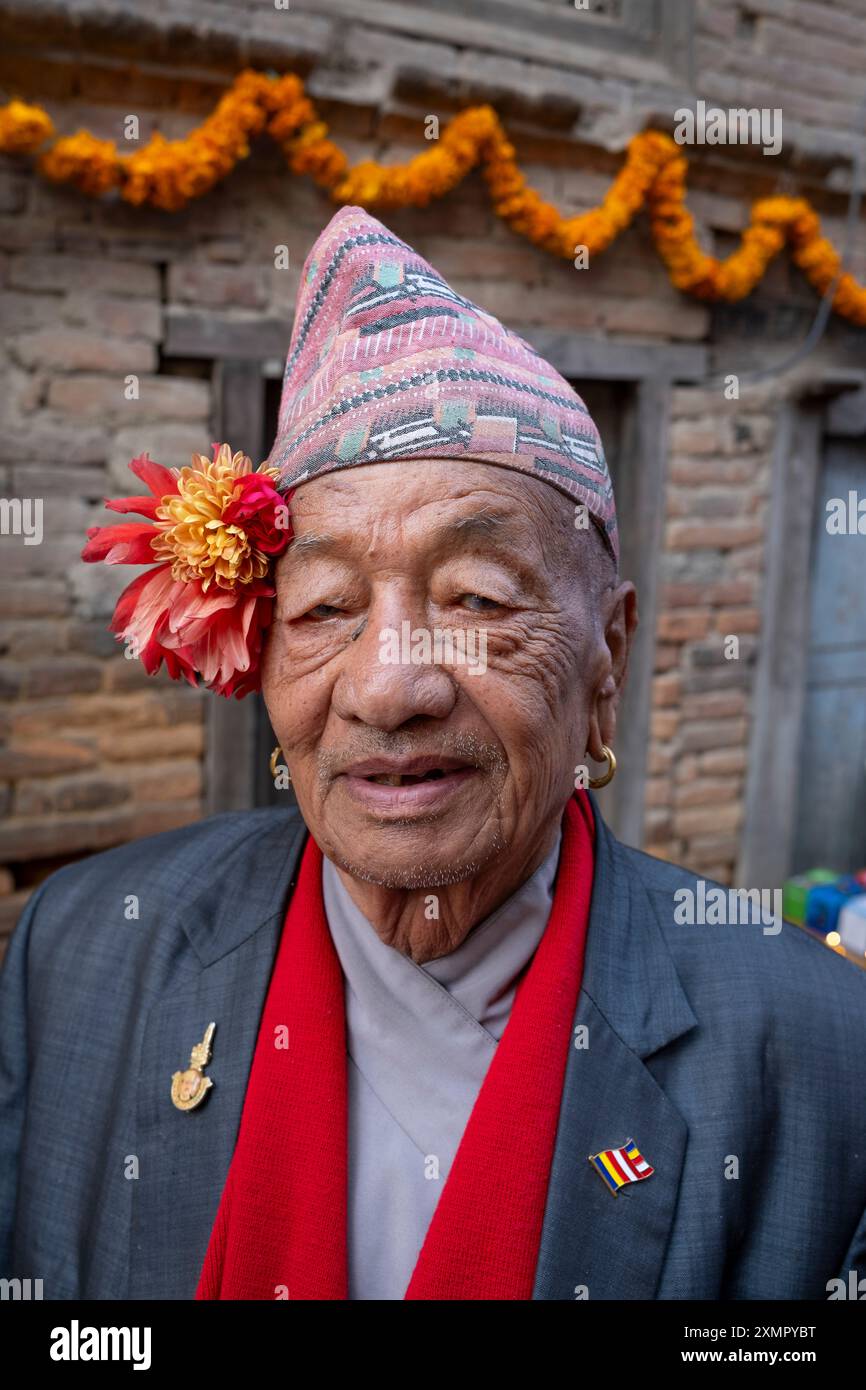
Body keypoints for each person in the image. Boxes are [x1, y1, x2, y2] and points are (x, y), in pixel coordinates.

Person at [1, 207, 864, 1301]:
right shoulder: (82, 955)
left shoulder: (820, 1059)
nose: (387, 684)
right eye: (322, 608)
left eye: (475, 597)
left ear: (607, 653)